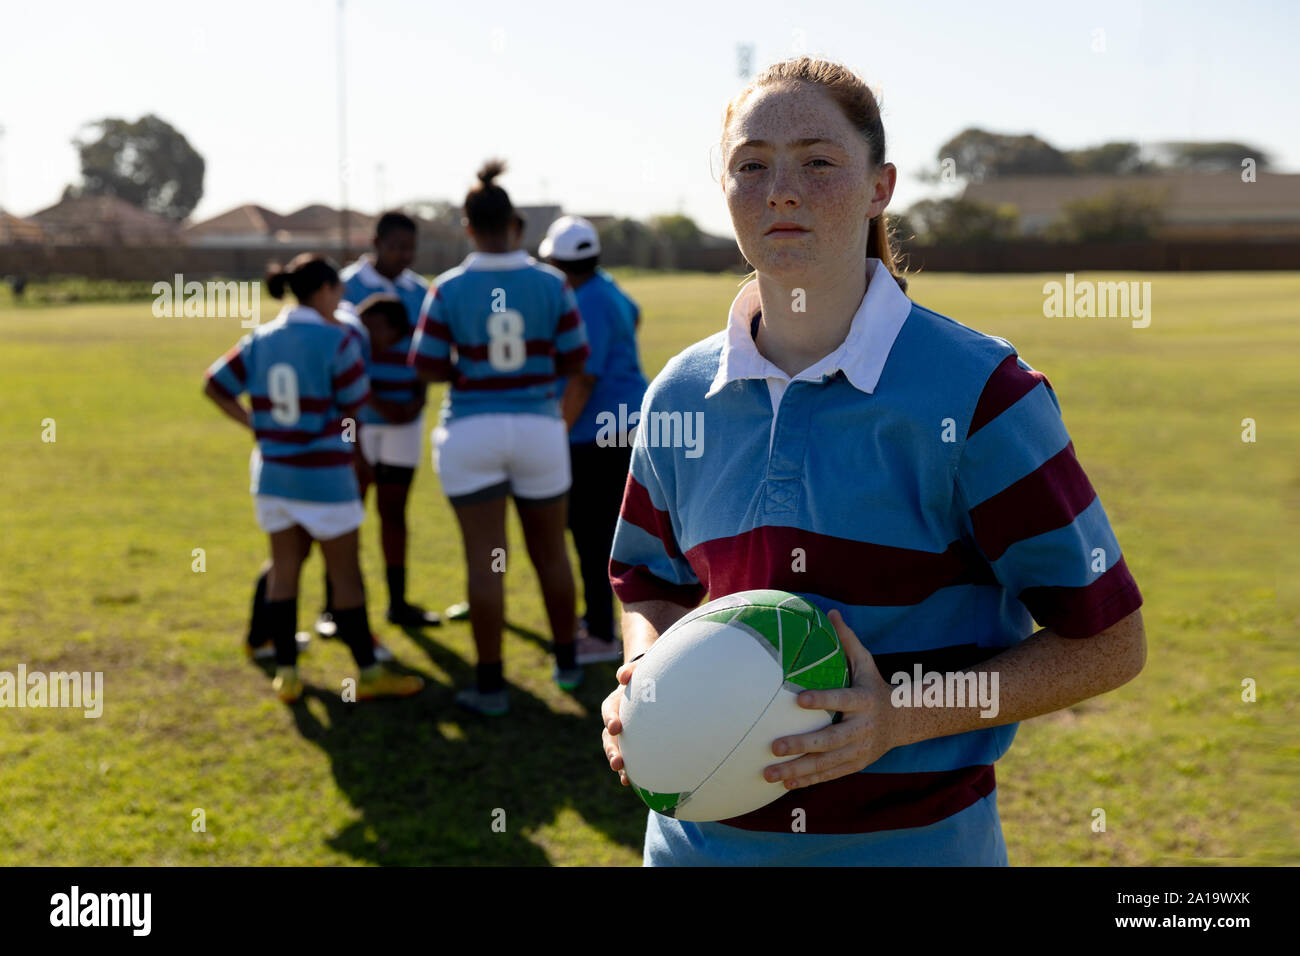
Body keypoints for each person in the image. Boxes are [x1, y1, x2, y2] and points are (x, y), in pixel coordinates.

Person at [600, 57, 1146, 865]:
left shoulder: (982, 393)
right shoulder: (680, 391)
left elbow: (1107, 642)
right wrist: (649, 673)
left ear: (880, 187)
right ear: (724, 189)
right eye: (751, 166)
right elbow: (648, 582)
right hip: (690, 850)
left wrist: (900, 715)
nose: (780, 190)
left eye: (818, 162)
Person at [409, 160, 590, 715]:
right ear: (514, 223)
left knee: (487, 561)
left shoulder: (447, 287)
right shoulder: (551, 281)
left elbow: (426, 364)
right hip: (538, 428)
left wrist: (471, 368)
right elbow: (577, 361)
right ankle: (567, 666)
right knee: (551, 555)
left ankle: (490, 687)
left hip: (470, 430)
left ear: (467, 226)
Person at [204, 253, 424, 703]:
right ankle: (368, 671)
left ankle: (287, 673)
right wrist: (356, 454)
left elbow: (214, 384)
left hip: (273, 474)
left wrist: (255, 425)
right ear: (324, 290)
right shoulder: (338, 340)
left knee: (284, 571)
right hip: (324, 476)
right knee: (345, 574)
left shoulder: (260, 337)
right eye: (338, 292)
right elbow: (354, 407)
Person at [315, 212, 443, 638]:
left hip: (406, 419)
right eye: (395, 246)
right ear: (376, 242)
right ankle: (333, 606)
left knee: (394, 510)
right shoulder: (346, 286)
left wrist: (419, 396)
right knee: (346, 511)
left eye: (410, 247)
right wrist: (376, 403)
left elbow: (429, 351)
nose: (403, 255)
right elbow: (336, 353)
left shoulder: (420, 289)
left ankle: (398, 602)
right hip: (358, 420)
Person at [541, 216, 648, 663]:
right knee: (612, 531)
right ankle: (604, 624)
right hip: (628, 422)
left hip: (598, 432)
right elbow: (635, 315)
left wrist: (555, 435)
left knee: (592, 534)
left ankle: (602, 634)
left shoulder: (584, 301)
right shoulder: (608, 287)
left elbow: (583, 378)